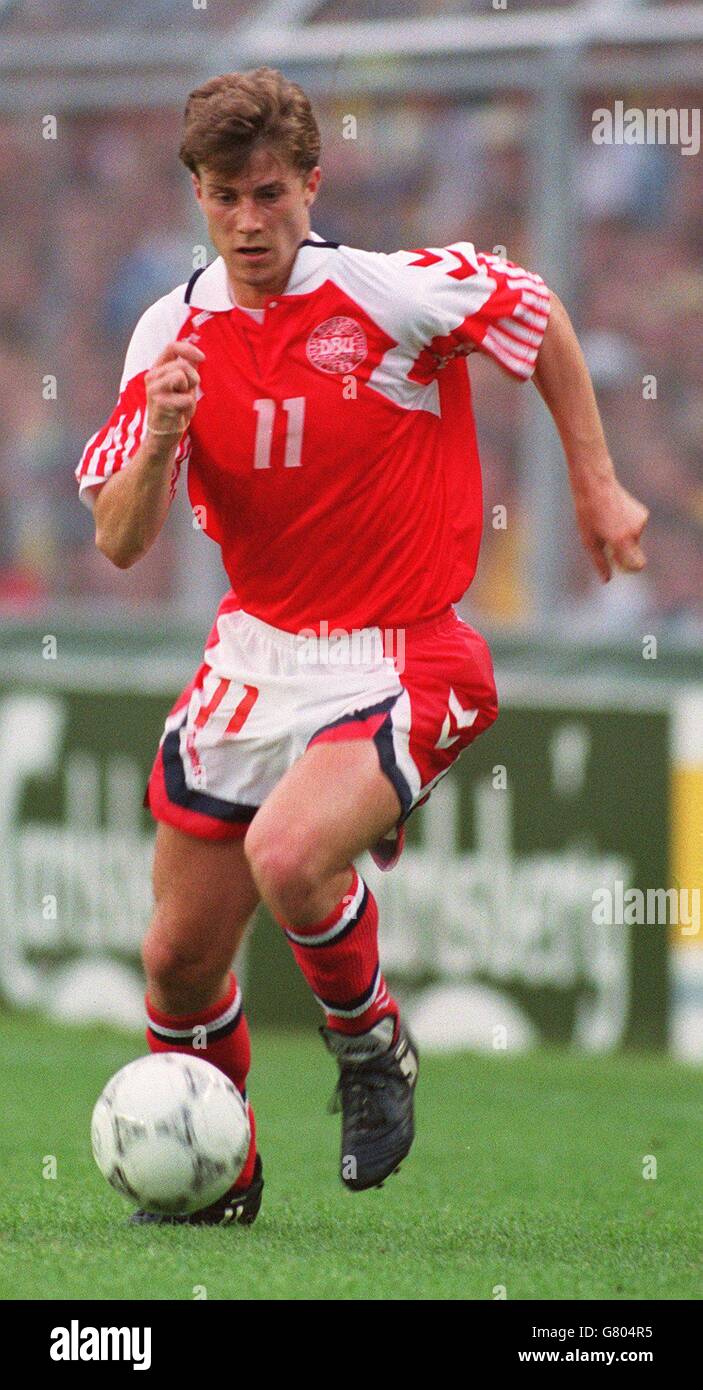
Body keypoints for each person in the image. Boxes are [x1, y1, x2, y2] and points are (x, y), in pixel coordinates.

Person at [75, 67, 649, 1225]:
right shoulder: (168, 331)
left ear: (311, 185)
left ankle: (369, 1039)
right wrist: (161, 441)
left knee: (291, 857)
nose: (250, 222)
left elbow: (534, 315)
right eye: (225, 197)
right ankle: (220, 1178)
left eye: (271, 194)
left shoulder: (388, 292)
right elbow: (121, 542)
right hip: (253, 655)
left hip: (400, 649)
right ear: (195, 193)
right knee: (177, 966)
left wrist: (594, 483)